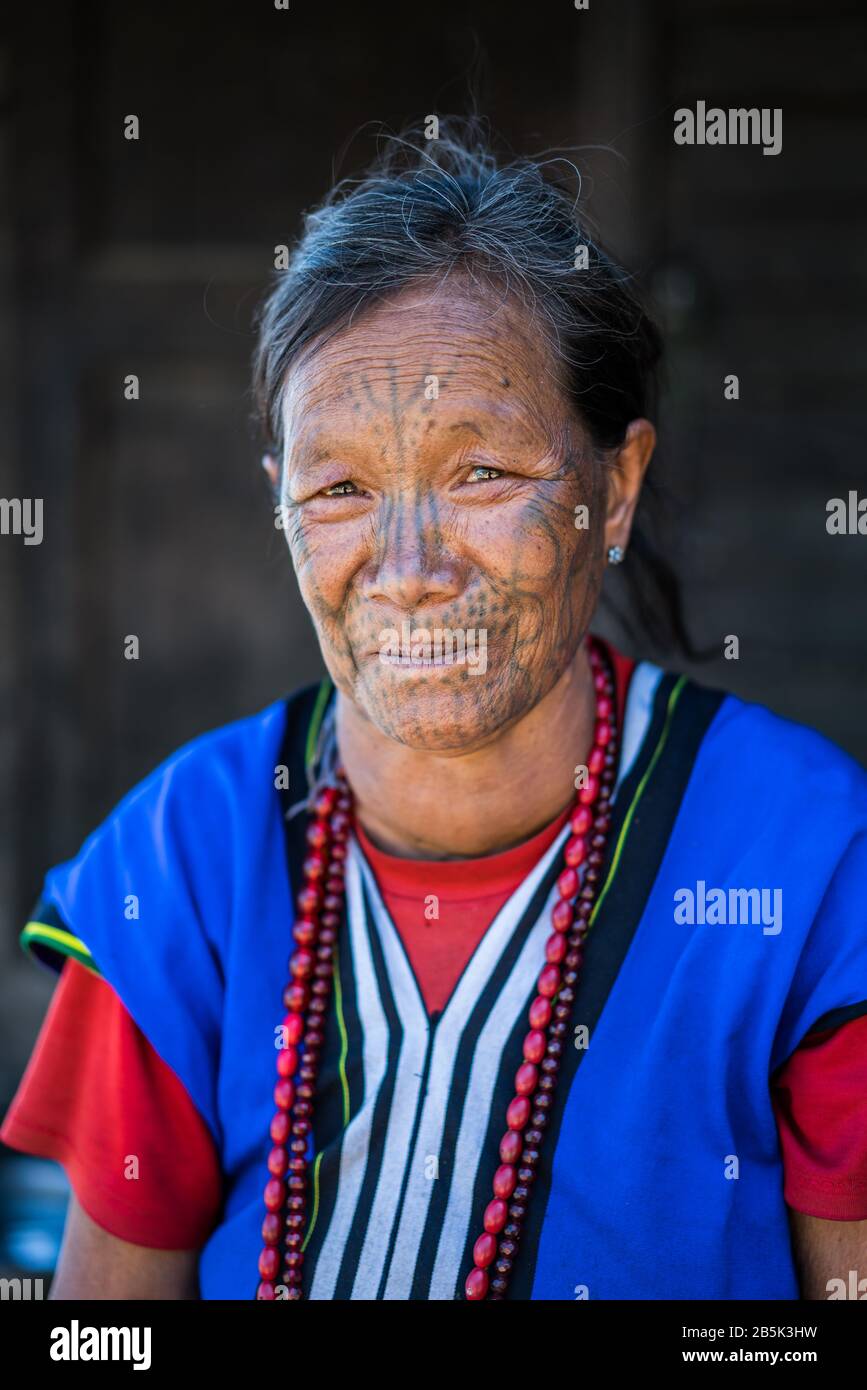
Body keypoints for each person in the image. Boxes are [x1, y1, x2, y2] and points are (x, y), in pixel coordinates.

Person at [4, 123, 867, 1301]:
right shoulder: (188, 855)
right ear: (283, 506)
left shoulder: (808, 858)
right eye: (342, 488)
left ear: (613, 488)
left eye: (482, 474)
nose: (408, 565)